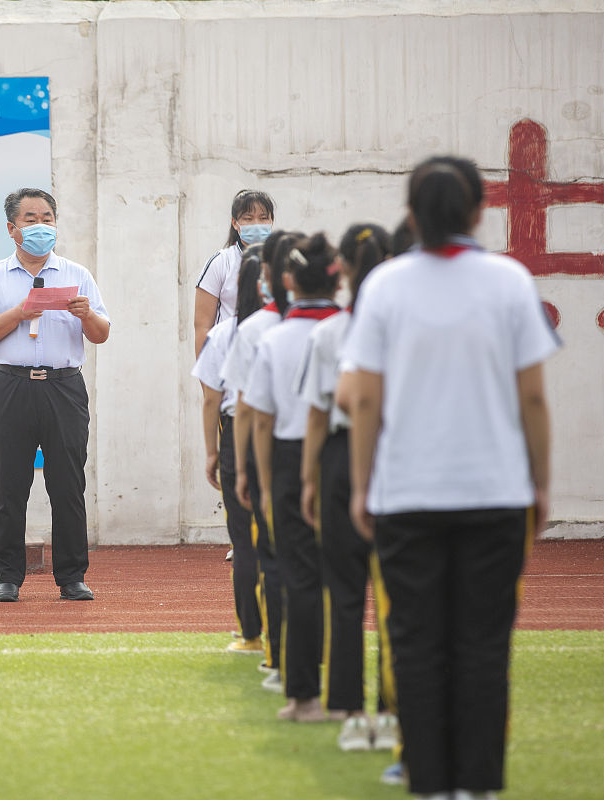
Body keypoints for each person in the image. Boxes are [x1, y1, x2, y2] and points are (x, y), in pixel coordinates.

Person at [345, 155, 559, 800]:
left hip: (407, 494)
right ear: (477, 210)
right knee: (484, 645)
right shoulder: (508, 281)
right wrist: (540, 483)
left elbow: (364, 402)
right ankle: (480, 785)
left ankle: (430, 784)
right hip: (496, 493)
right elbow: (532, 399)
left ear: (411, 214)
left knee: (414, 643)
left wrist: (361, 486)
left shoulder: (383, 285)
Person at [0, 188, 111, 603]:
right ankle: (7, 577)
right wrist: (19, 313)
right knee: (10, 485)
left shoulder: (76, 274)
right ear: (12, 229)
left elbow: (101, 334)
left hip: (64, 386)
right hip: (11, 385)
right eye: (31, 219)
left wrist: (87, 315)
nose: (41, 226)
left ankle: (72, 576)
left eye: (47, 218)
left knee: (68, 484)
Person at [297, 223, 398, 751]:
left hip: (340, 456)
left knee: (343, 589)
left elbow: (318, 415)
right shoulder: (404, 326)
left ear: (343, 273)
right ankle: (392, 711)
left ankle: (352, 713)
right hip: (396, 455)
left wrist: (310, 479)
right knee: (396, 593)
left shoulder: (332, 331)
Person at [245, 232, 341, 722]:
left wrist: (261, 481)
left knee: (299, 577)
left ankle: (302, 693)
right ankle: (351, 700)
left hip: (286, 455)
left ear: (286, 280)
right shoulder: (354, 331)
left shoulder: (274, 338)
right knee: (347, 581)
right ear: (338, 275)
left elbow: (259, 417)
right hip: (347, 456)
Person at [219, 230, 300, 689]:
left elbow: (243, 406)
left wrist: (245, 466)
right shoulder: (339, 325)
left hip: (267, 445)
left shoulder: (251, 331)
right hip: (319, 448)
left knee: (263, 547)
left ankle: (274, 651)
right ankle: (312, 658)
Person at [192, 244, 265, 653]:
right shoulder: (293, 327)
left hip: (237, 433)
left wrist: (212, 452)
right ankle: (288, 631)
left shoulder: (224, 333)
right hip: (288, 435)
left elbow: (210, 399)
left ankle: (251, 634)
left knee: (243, 536)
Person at [193, 189, 274, 357]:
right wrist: (207, 381)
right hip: (229, 358)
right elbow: (202, 327)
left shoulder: (282, 261)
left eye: (263, 218)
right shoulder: (220, 262)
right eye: (248, 219)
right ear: (235, 223)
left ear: (272, 221)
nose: (256, 224)